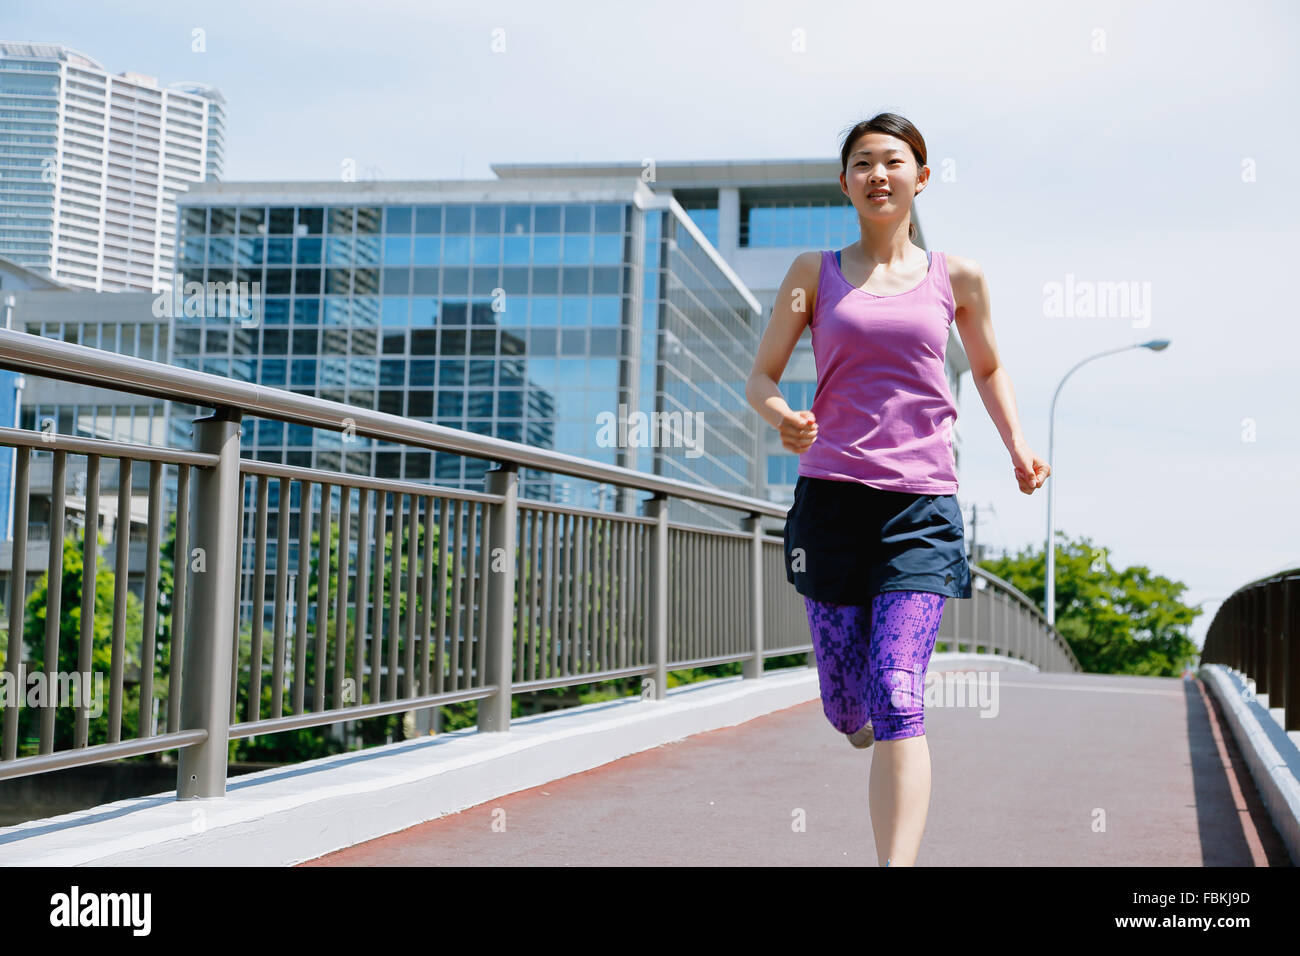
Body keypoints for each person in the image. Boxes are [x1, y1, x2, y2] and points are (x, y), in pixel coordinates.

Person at [745, 112, 1050, 866]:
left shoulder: (960, 278)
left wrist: (1017, 444)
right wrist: (784, 415)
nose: (878, 175)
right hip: (831, 503)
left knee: (899, 693)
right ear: (845, 182)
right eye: (862, 164)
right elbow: (762, 375)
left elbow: (985, 367)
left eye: (893, 161)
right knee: (848, 703)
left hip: (920, 508)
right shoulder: (812, 276)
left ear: (920, 173)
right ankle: (851, 714)